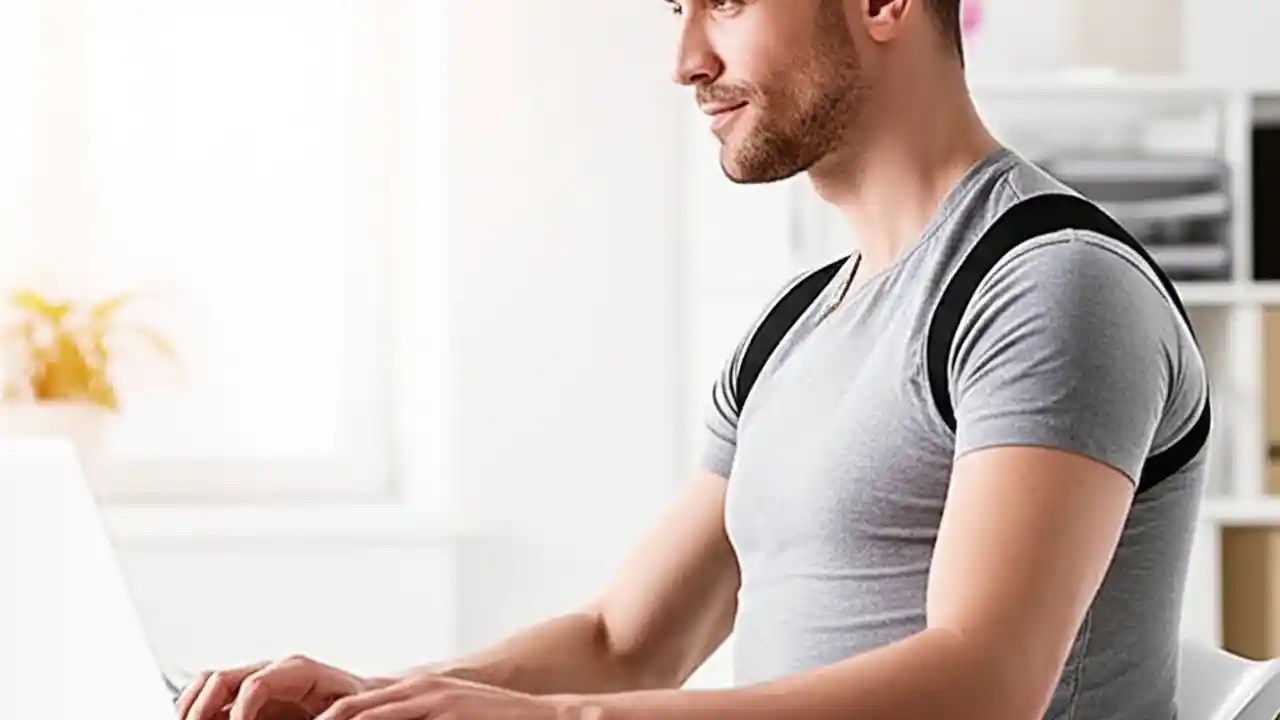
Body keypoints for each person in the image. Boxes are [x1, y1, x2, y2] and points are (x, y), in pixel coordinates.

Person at [179, 1, 1209, 718]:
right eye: (676, 8)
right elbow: (626, 643)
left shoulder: (1046, 286)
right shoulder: (795, 325)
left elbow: (982, 687)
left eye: (724, 1)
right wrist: (373, 698)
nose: (684, 62)